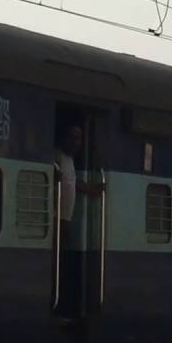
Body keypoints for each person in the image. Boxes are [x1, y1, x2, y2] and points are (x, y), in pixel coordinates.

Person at [55, 123, 104, 318]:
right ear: (63, 138)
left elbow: (71, 182)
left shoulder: (68, 160)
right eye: (72, 137)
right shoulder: (55, 155)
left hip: (65, 219)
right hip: (55, 218)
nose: (77, 143)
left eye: (79, 138)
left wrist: (92, 190)